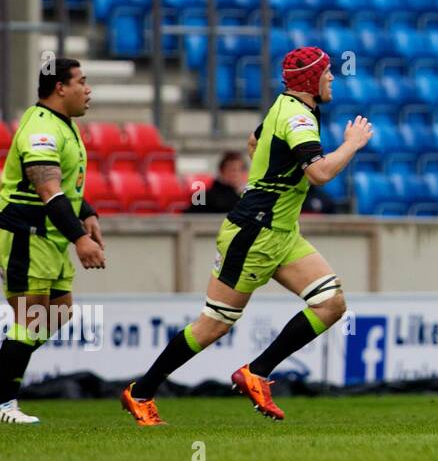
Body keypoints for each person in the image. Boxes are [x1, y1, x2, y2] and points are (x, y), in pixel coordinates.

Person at [122, 47, 372, 425]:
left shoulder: (284, 106)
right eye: (327, 72)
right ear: (310, 80)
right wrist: (351, 144)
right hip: (254, 234)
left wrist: (271, 181)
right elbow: (319, 174)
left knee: (331, 304)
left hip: (281, 232)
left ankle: (256, 372)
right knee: (214, 324)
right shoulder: (299, 119)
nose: (332, 77)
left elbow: (255, 143)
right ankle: (141, 392)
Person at [0, 58, 105, 425]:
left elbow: (66, 182)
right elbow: (47, 189)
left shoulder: (64, 125)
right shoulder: (40, 130)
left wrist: (87, 211)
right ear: (60, 87)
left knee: (57, 315)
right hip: (26, 233)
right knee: (29, 320)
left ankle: (4, 374)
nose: (88, 89)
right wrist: (80, 239)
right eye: (82, 82)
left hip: (51, 236)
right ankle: (4, 404)